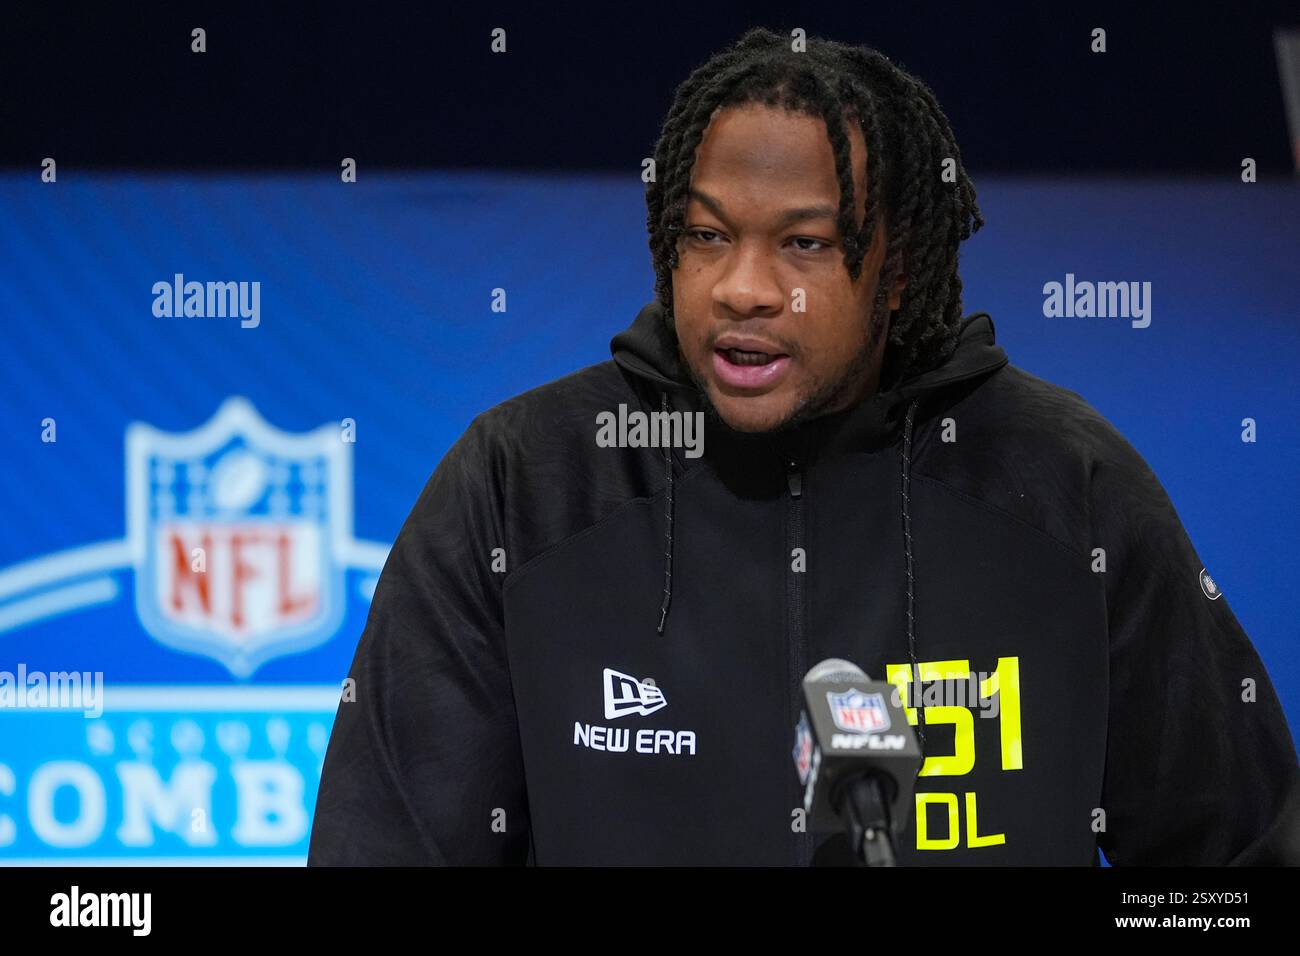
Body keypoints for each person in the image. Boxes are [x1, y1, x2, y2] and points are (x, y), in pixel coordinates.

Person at [307, 27, 1300, 865]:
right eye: (705, 237)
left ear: (899, 272)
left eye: (806, 244)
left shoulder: (1063, 485)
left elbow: (1235, 863)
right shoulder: (528, 481)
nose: (741, 287)